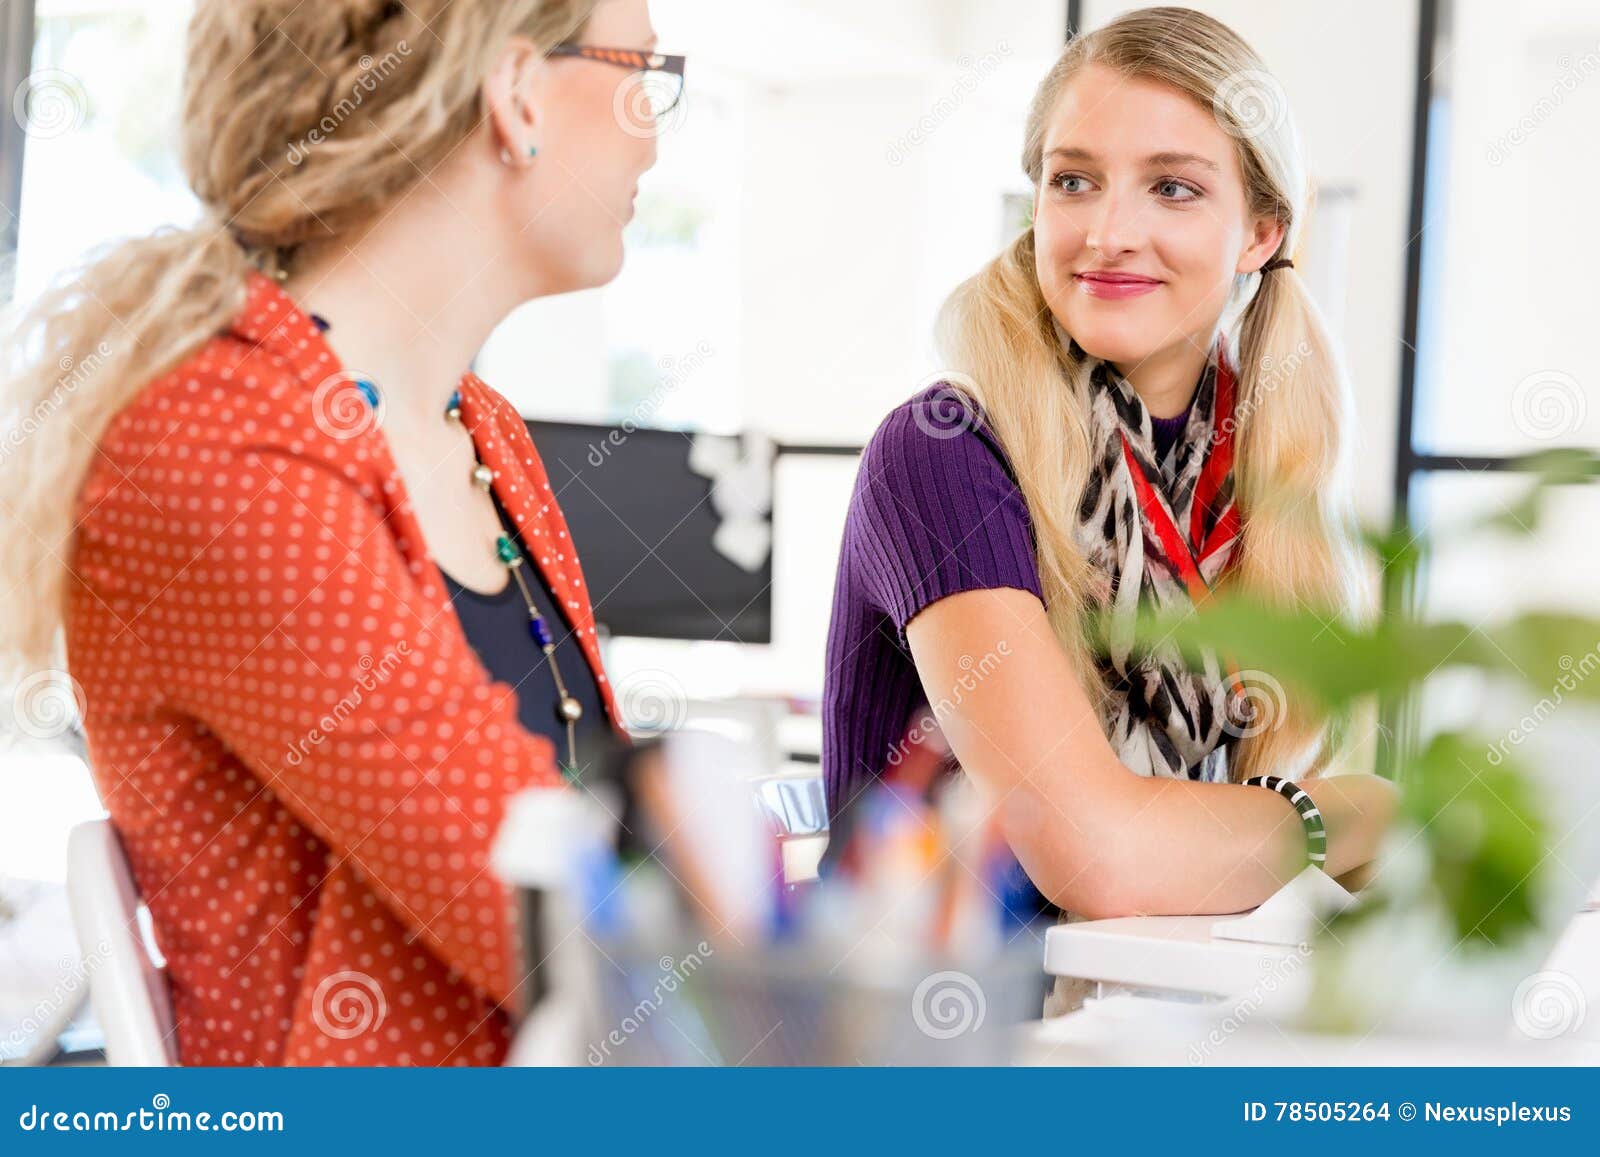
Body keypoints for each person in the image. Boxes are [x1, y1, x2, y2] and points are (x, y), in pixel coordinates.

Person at [0, 0, 682, 1065]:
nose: (653, 132)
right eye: (640, 70)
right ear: (517, 92)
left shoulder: (486, 434)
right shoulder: (217, 437)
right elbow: (569, 913)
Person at [821, 6, 1397, 997]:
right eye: (1073, 180)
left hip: (1159, 1020)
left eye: (1172, 187)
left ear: (1261, 231)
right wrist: (1348, 811)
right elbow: (1097, 854)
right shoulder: (942, 452)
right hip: (928, 1036)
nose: (1108, 234)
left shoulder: (1260, 462)